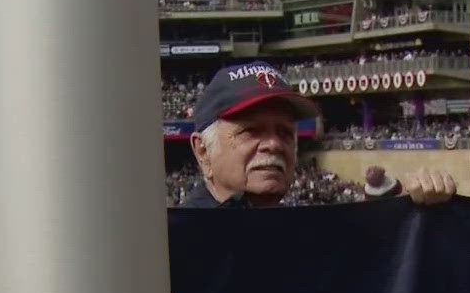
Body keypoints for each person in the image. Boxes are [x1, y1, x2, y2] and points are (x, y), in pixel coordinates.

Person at [181, 62, 455, 209]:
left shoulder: (297, 236)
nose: (274, 144)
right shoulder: (174, 249)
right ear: (203, 151)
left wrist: (414, 218)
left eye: (285, 132)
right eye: (251, 131)